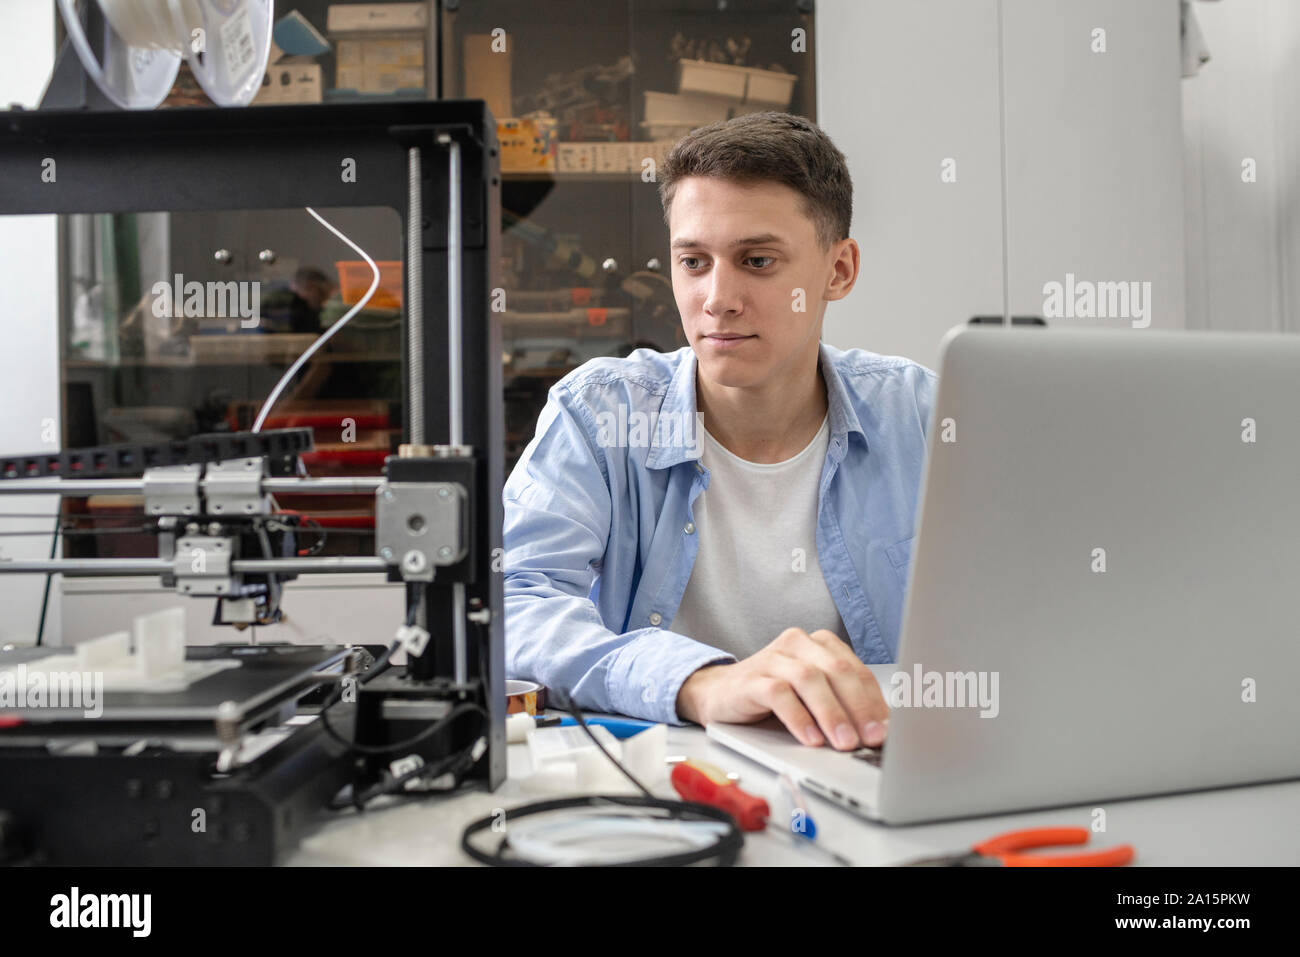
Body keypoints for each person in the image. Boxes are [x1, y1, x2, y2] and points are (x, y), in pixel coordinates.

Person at [503, 112, 936, 750]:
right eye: (693, 261)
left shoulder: (922, 415)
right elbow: (512, 601)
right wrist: (699, 685)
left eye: (757, 260)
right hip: (655, 773)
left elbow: (1028, 603)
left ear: (838, 271)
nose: (717, 298)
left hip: (860, 762)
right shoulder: (602, 413)